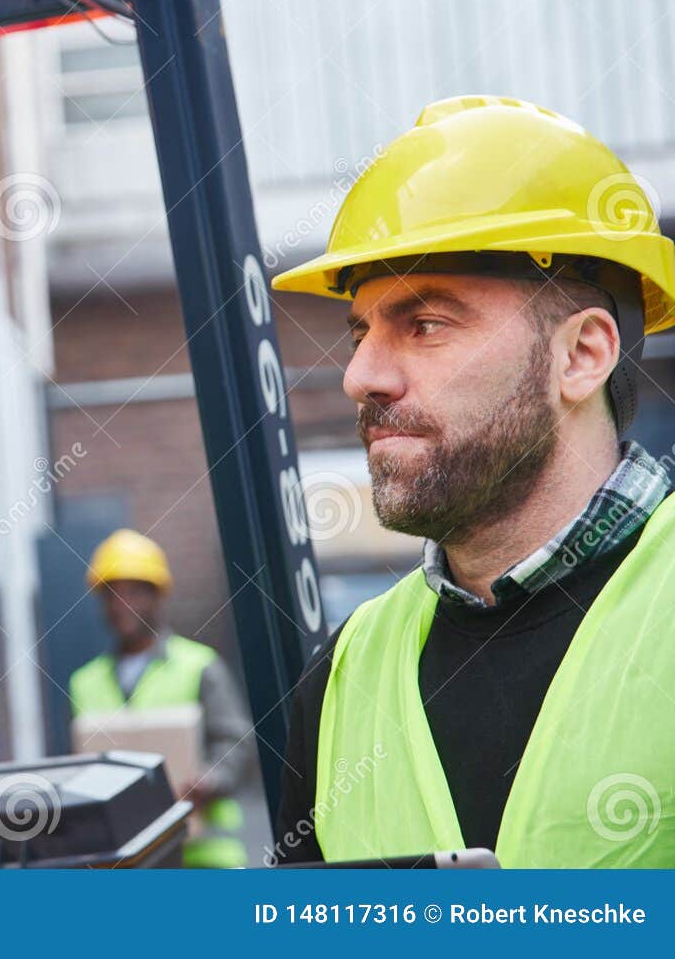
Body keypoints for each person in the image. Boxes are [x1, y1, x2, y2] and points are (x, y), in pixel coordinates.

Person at [269, 95, 675, 867]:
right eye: (361, 332)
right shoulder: (346, 671)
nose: (361, 375)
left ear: (583, 354)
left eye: (425, 324)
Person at [69, 529, 254, 868]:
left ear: (157, 596)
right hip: (125, 859)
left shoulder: (199, 666)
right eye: (111, 594)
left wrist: (210, 777)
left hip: (203, 858)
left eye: (134, 593)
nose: (121, 605)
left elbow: (236, 741)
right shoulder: (84, 681)